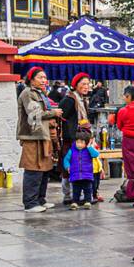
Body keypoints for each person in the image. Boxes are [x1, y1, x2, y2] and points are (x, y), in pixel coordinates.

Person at [16, 68, 63, 212]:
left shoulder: (41, 93)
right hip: (32, 136)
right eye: (40, 77)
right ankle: (30, 203)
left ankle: (40, 199)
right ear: (31, 79)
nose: (44, 80)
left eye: (45, 77)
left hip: (43, 135)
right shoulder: (27, 93)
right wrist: (53, 113)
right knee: (33, 169)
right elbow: (34, 113)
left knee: (44, 168)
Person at [57, 73, 94, 204]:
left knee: (81, 167)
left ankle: (81, 195)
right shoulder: (70, 99)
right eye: (83, 84)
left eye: (87, 83)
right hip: (71, 139)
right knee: (69, 168)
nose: (86, 86)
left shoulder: (82, 99)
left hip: (81, 138)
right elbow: (61, 116)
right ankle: (68, 195)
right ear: (75, 85)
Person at [62, 134, 100, 209]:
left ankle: (88, 202)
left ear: (86, 143)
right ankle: (75, 202)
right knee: (76, 190)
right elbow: (66, 160)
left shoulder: (88, 150)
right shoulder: (71, 150)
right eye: (77, 142)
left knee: (88, 190)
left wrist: (89, 147)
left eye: (81, 142)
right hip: (75, 175)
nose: (79, 144)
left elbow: (96, 154)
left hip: (87, 175)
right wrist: (67, 166)